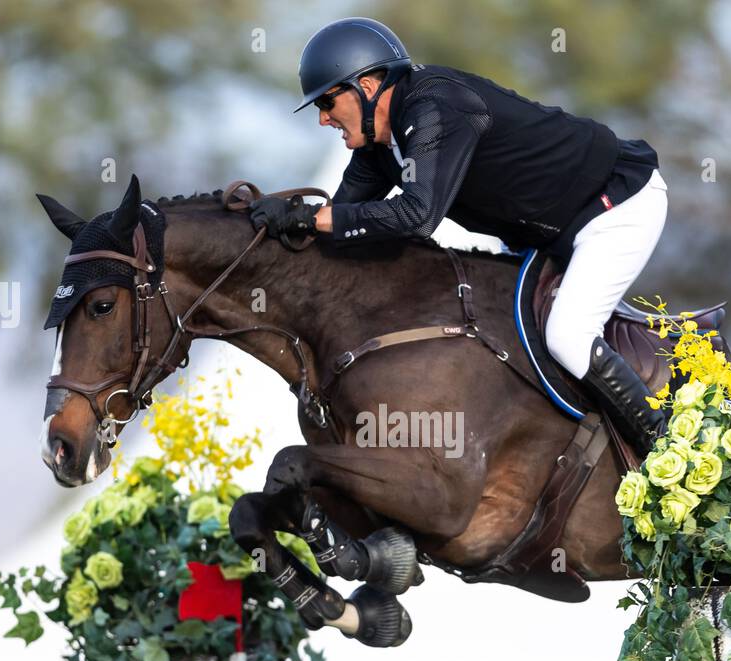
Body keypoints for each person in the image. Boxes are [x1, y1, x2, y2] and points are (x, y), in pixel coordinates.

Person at [248, 16, 668, 455]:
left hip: (616, 203)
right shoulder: (380, 144)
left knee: (568, 335)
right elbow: (342, 220)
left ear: (367, 87)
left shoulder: (435, 107)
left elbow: (416, 216)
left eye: (328, 102)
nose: (323, 119)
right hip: (546, 233)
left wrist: (309, 217)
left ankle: (662, 448)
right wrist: (278, 224)